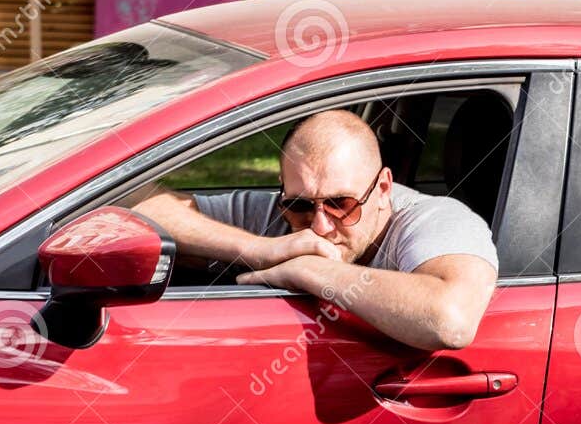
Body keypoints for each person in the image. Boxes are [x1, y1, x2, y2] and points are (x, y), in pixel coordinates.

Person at [133, 109, 498, 350]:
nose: (319, 226)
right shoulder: (281, 213)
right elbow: (130, 199)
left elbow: (451, 321)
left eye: (342, 204)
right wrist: (258, 249)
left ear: (383, 189)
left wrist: (310, 269)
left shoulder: (437, 219)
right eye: (301, 205)